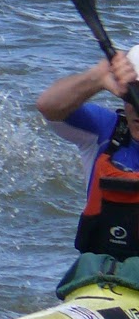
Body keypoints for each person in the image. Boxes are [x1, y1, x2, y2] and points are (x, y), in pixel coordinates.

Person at [35, 48, 139, 297]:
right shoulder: (105, 132)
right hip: (98, 282)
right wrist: (99, 76)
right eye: (134, 94)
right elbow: (48, 106)